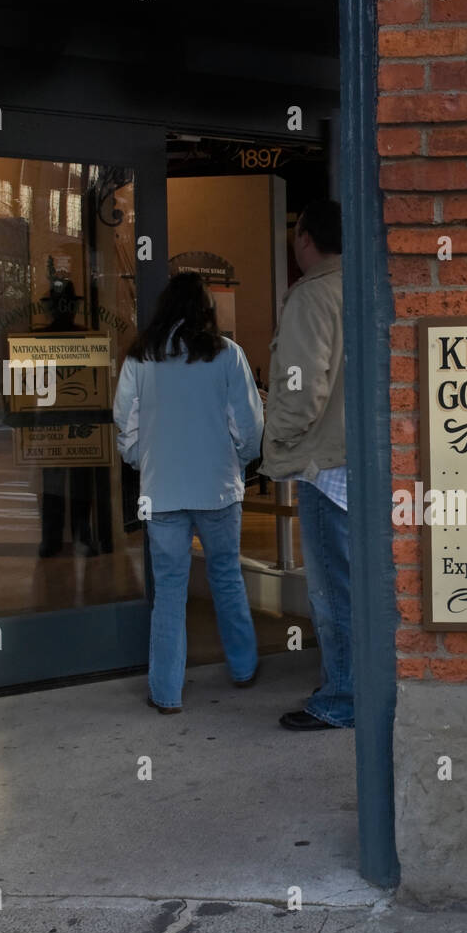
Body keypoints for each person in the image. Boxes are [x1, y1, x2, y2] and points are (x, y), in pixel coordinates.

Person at [113, 273, 263, 713]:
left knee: (171, 591)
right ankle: (243, 666)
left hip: (162, 492)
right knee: (227, 578)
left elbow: (125, 423)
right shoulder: (228, 355)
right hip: (218, 487)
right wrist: (237, 460)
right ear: (206, 309)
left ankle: (166, 692)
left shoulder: (142, 357)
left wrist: (144, 460)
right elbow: (251, 426)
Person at [262, 201, 351, 731]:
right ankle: (354, 684)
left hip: (325, 467)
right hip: (365, 461)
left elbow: (300, 384)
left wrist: (284, 441)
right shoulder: (367, 288)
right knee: (358, 587)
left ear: (304, 239)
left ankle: (342, 698)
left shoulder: (312, 295)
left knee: (332, 591)